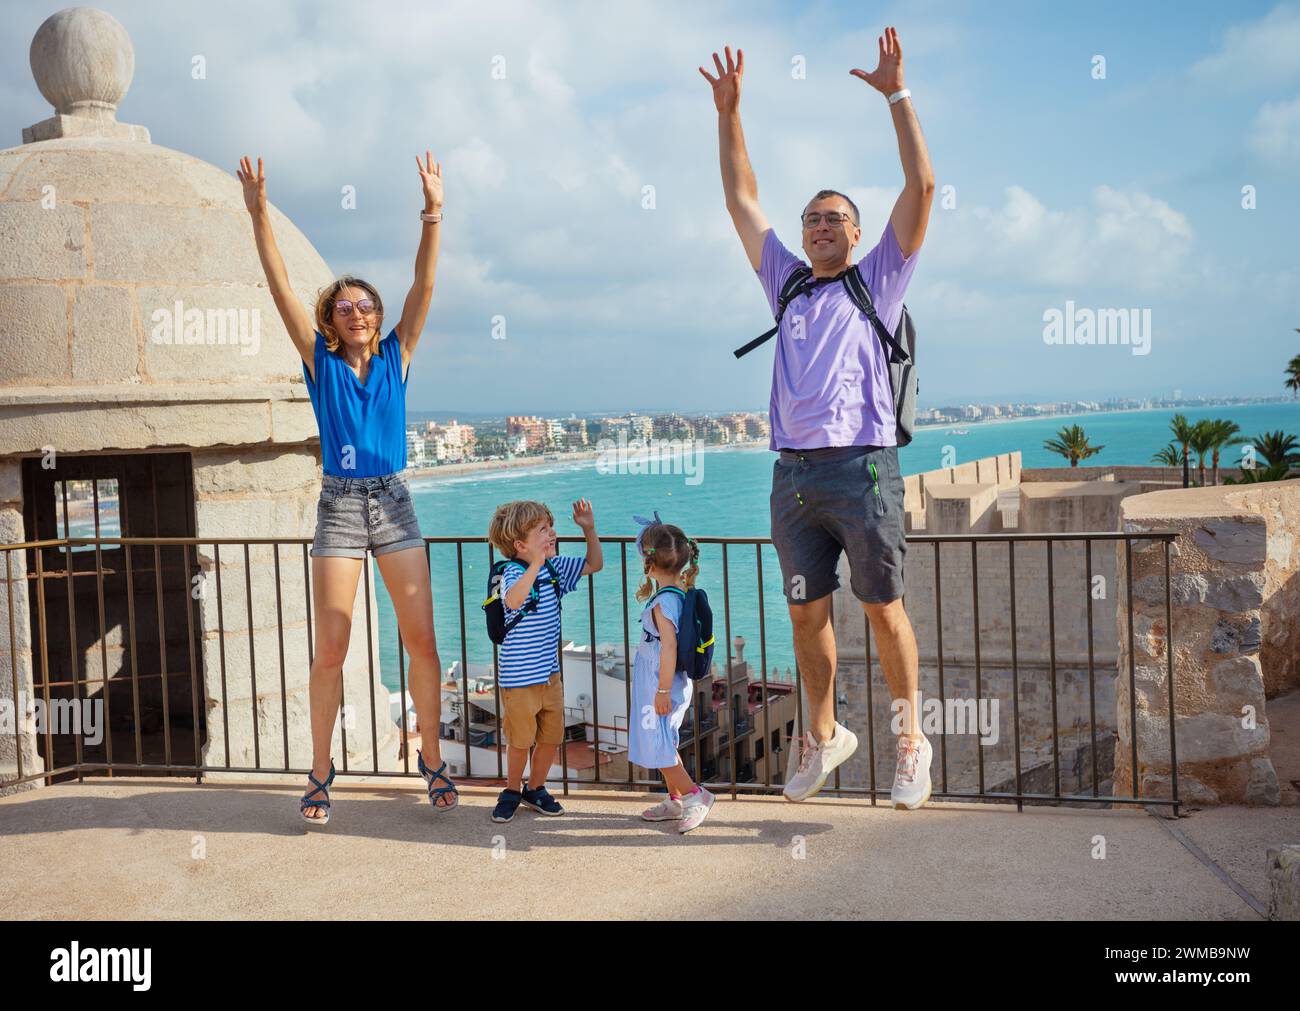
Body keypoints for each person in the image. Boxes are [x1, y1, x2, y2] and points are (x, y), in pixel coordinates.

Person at [699, 26, 936, 809]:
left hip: (863, 467)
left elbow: (923, 188)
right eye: (811, 220)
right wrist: (730, 113)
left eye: (834, 218)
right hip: (794, 477)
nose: (819, 227)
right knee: (806, 615)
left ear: (859, 233)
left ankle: (909, 741)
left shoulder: (880, 279)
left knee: (882, 608)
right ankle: (824, 734)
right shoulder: (788, 283)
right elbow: (740, 198)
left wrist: (897, 95)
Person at [236, 153, 457, 824]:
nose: (356, 311)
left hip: (392, 500)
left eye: (366, 305)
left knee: (423, 642)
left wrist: (432, 211)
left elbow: (425, 280)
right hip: (338, 502)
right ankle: (320, 769)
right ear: (330, 318)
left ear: (378, 315)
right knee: (330, 646)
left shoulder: (398, 353)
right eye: (344, 305)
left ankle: (432, 759)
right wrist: (257, 213)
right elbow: (278, 289)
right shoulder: (320, 362)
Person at [486, 498, 602, 822]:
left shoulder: (555, 569)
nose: (551, 534)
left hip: (549, 676)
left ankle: (535, 788)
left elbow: (594, 564)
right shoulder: (512, 572)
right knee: (520, 741)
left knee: (551, 737)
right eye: (543, 531)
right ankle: (511, 790)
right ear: (520, 544)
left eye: (550, 528)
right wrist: (535, 564)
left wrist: (589, 529)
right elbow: (512, 599)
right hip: (519, 679)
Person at [629, 516, 715, 833]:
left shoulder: (662, 604)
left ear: (649, 563)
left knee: (659, 744)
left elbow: (668, 648)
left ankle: (697, 796)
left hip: (659, 681)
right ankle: (674, 800)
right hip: (672, 680)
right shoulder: (677, 594)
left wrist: (661, 691)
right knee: (664, 740)